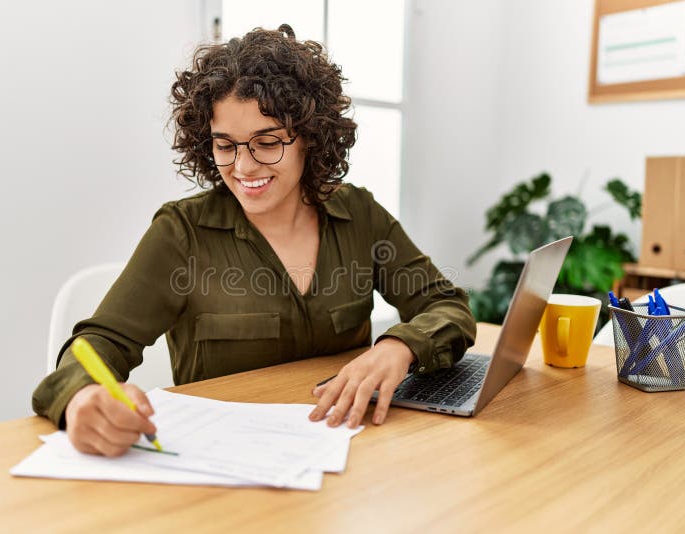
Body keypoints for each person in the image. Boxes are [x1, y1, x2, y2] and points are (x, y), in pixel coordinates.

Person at [32, 24, 476, 457]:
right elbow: (97, 344)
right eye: (225, 145)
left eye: (266, 143)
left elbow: (446, 304)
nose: (243, 167)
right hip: (223, 469)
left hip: (348, 454)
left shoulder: (359, 215)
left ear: (311, 138)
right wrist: (80, 398)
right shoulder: (181, 233)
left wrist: (400, 347)